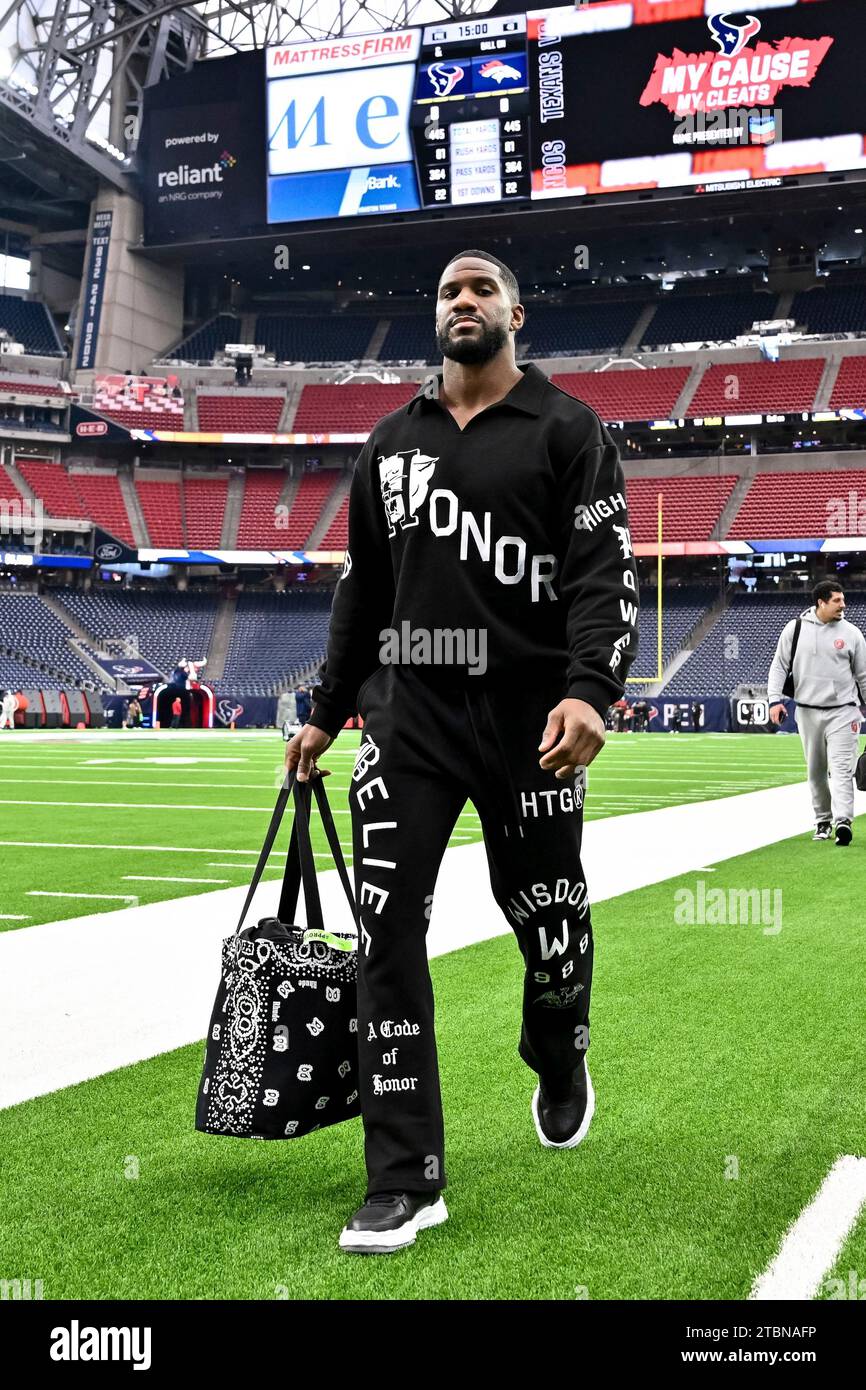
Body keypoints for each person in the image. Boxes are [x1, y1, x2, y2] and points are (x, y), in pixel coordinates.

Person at [285, 248, 639, 1254]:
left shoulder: (568, 430)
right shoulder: (387, 443)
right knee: (385, 933)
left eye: (481, 289)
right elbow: (361, 589)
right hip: (410, 723)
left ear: (514, 313)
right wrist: (324, 711)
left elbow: (599, 575)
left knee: (550, 925)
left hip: (533, 726)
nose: (464, 302)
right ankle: (405, 1177)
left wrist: (587, 690)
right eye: (448, 291)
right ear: (432, 315)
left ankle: (557, 1048)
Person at [768, 580, 866, 845]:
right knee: (815, 771)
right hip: (808, 712)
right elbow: (779, 666)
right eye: (837, 600)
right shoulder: (795, 628)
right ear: (820, 602)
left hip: (844, 712)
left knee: (843, 769)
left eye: (843, 600)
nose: (843, 605)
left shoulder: (852, 633)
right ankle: (823, 820)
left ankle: (843, 821)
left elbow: (864, 676)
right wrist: (774, 700)